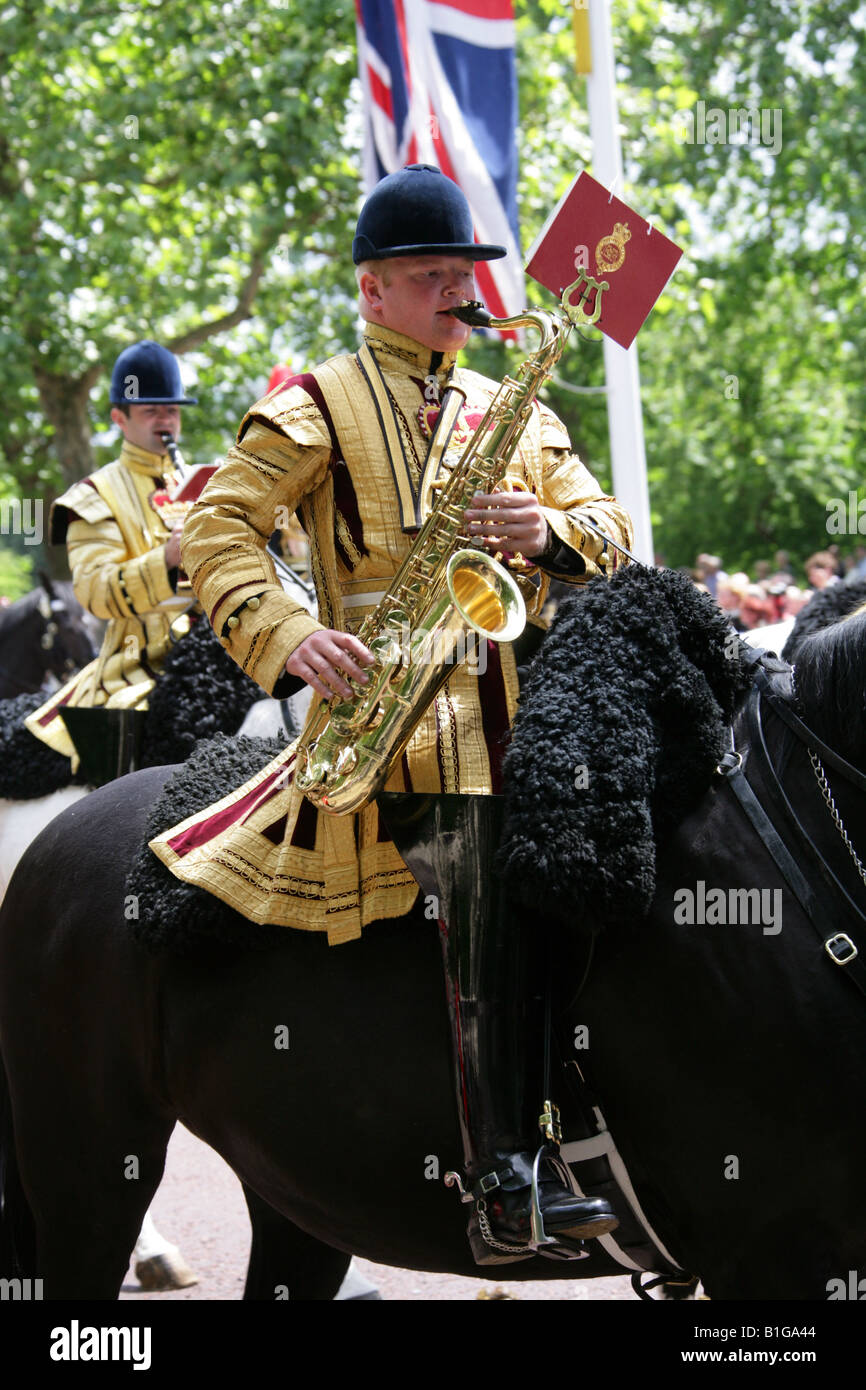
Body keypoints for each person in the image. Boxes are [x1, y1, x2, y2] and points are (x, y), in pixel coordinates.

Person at [150, 165, 634, 1262]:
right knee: (488, 873)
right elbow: (219, 531)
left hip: (527, 702)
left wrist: (548, 531)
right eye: (431, 280)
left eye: (465, 277)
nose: (460, 298)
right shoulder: (312, 402)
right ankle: (506, 1181)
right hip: (392, 721)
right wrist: (286, 635)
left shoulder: (512, 404)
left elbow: (606, 522)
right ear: (371, 293)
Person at [26, 342, 197, 777]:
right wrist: (168, 558)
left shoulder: (202, 482)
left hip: (219, 650)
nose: (165, 421)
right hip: (138, 670)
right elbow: (97, 594)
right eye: (150, 411)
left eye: (172, 411)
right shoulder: (92, 497)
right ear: (118, 418)